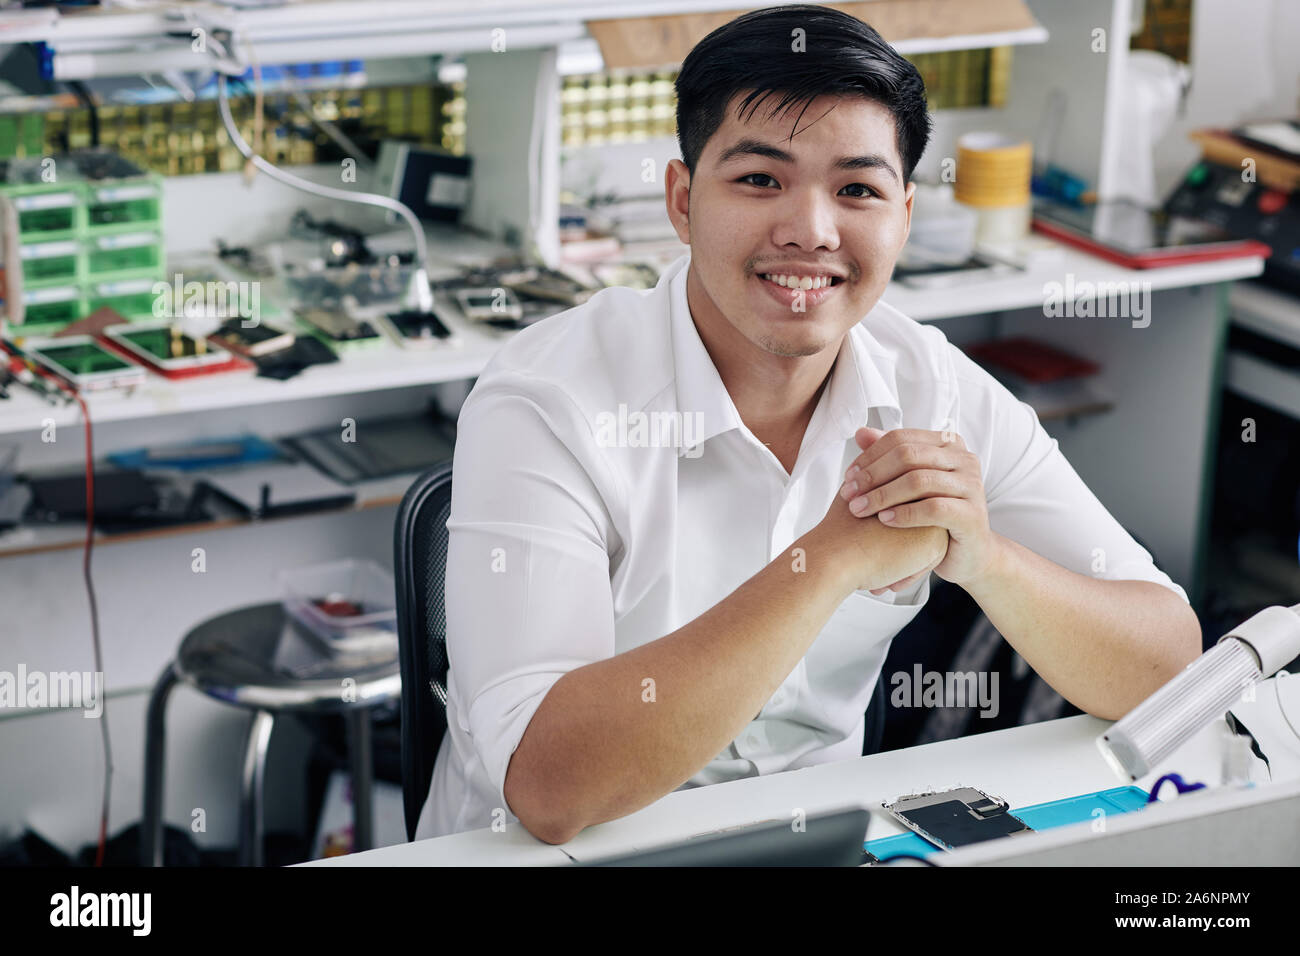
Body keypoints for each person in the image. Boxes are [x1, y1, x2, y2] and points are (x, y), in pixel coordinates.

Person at [416, 4, 1200, 844]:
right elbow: (550, 789)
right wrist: (825, 562)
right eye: (760, 179)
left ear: (901, 216)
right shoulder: (547, 401)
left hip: (819, 846)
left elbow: (1168, 667)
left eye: (856, 189)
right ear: (682, 202)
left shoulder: (929, 382)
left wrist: (987, 558)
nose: (811, 232)